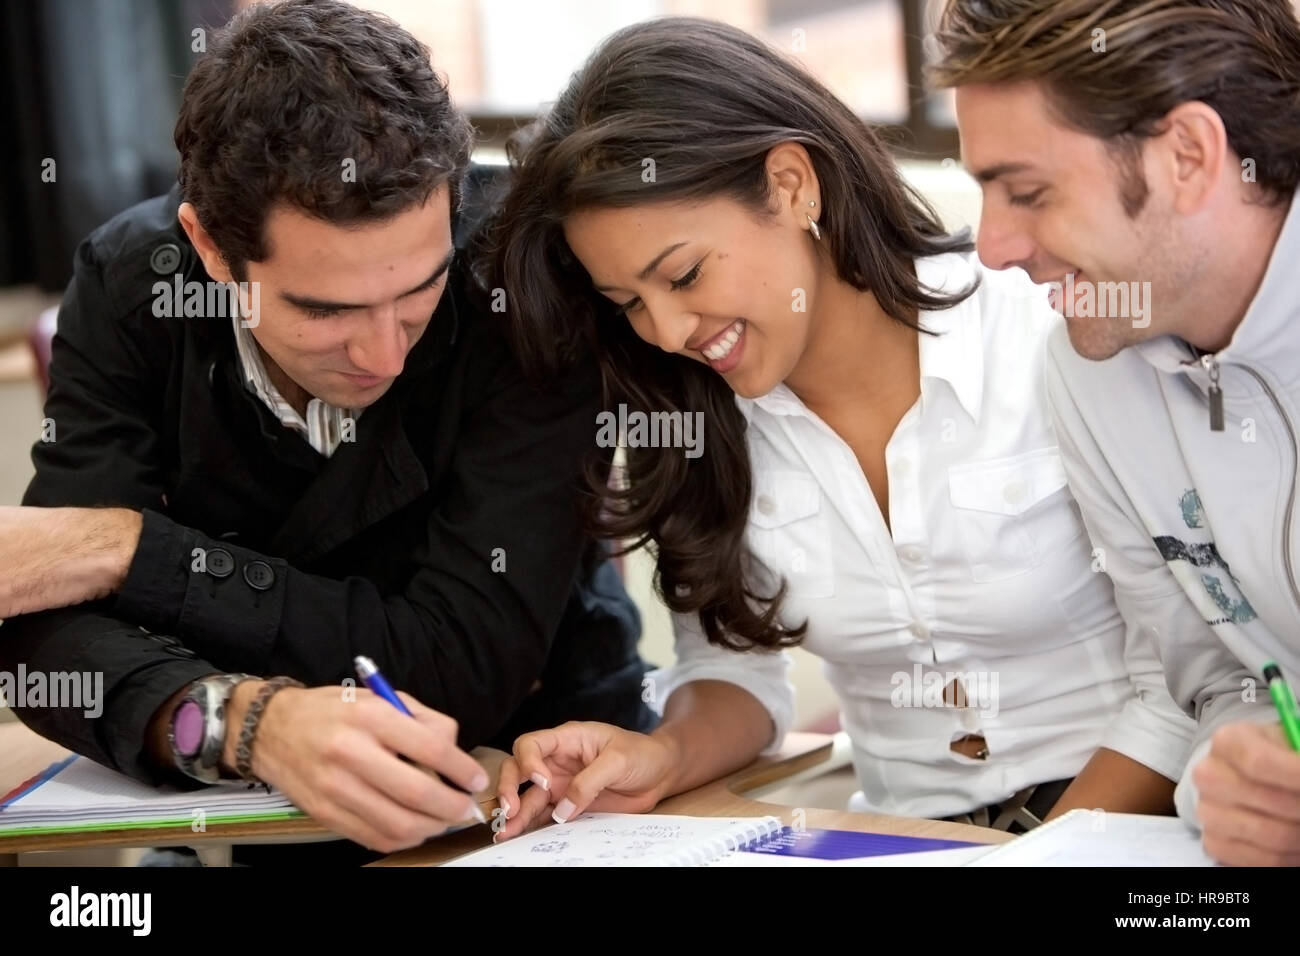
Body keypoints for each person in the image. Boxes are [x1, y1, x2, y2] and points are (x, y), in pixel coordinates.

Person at [485, 17, 1195, 842]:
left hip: (1137, 823)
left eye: (682, 274)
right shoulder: (694, 420)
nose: (670, 329)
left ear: (792, 185)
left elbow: (1183, 678)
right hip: (899, 838)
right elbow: (733, 673)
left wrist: (1037, 859)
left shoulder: (1050, 339)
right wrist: (663, 756)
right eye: (629, 305)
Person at [0, 0, 652, 859]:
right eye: (324, 309)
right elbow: (41, 636)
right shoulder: (132, 286)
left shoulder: (526, 277)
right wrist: (246, 723)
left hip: (543, 796)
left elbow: (458, 671)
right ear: (207, 247)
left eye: (418, 288)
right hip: (252, 805)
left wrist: (132, 549)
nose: (384, 354)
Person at [929, 0, 1300, 865]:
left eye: (1027, 192)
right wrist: (1241, 782)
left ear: (1189, 157)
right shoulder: (1089, 371)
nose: (992, 247)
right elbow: (1218, 680)